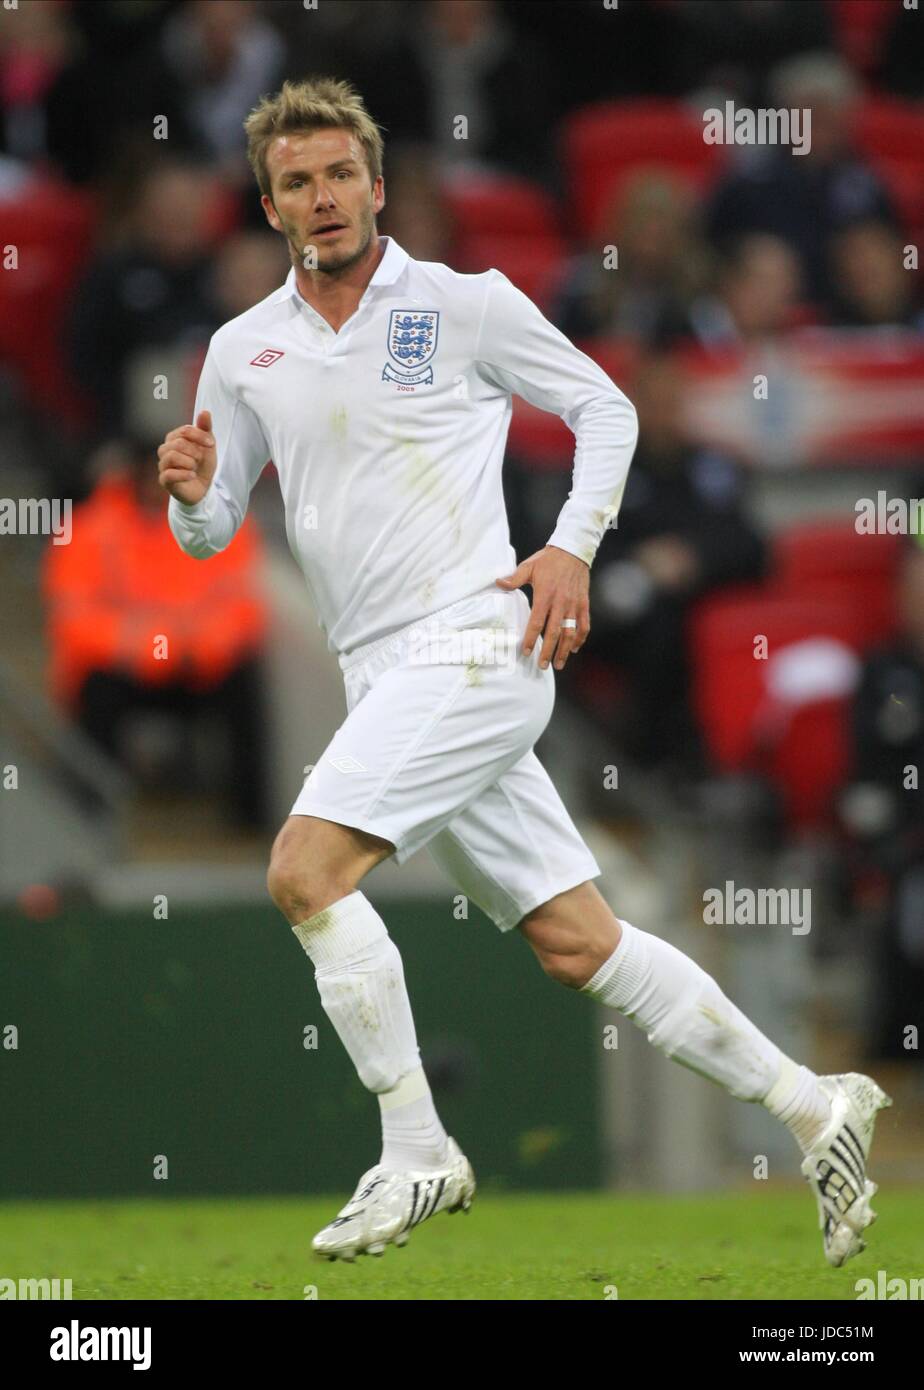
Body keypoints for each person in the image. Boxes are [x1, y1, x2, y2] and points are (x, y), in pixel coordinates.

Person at [160, 77, 890, 1267]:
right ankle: (816, 1106)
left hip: (475, 640)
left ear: (377, 185)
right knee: (576, 942)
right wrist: (194, 499)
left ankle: (416, 1147)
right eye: (296, 181)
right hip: (375, 670)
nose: (322, 195)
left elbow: (606, 410)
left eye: (340, 173)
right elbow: (212, 528)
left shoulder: (465, 304)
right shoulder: (244, 351)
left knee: (303, 871)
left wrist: (571, 547)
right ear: (270, 204)